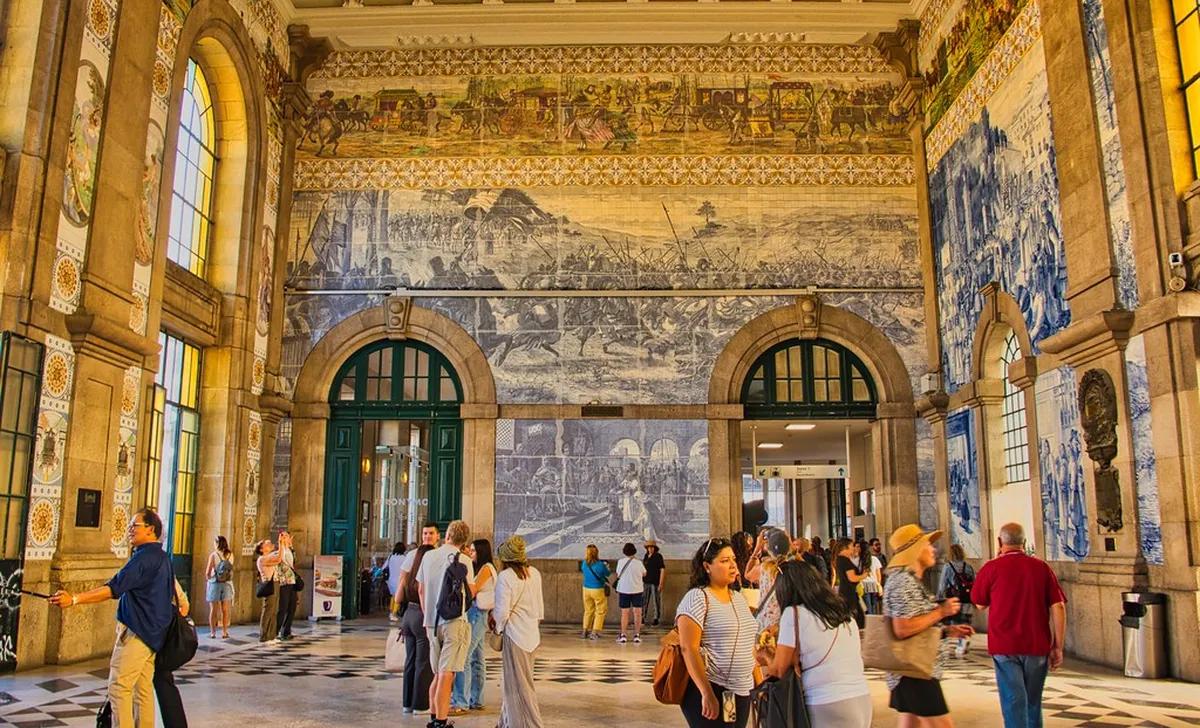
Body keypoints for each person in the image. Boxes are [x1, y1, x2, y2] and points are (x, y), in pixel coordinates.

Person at [50, 508, 174, 728]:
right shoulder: (162, 557)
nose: (129, 530)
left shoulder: (143, 558)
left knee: (119, 687)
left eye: (134, 526)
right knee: (142, 689)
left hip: (137, 634)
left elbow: (113, 589)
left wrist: (75, 599)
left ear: (150, 529)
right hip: (153, 635)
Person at [971, 523, 1067, 728]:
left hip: (1004, 645)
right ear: (1024, 542)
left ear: (999, 542)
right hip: (1036, 644)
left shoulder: (991, 568)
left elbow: (979, 604)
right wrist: (1058, 645)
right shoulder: (1041, 568)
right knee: (1033, 703)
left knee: (1013, 702)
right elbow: (1058, 606)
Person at [883, 524, 974, 727]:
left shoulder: (910, 581)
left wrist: (945, 631)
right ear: (915, 550)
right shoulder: (902, 582)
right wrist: (941, 611)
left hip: (913, 669)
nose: (933, 549)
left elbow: (916, 624)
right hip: (914, 671)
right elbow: (903, 628)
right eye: (928, 544)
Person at [768, 560, 872, 726]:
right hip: (861, 698)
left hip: (827, 702)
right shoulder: (842, 612)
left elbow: (779, 669)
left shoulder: (793, 613)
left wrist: (764, 655)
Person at [676, 537, 758, 728]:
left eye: (733, 559)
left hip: (742, 690)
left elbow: (748, 645)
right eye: (724, 560)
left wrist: (758, 686)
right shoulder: (697, 597)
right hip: (712, 687)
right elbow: (689, 648)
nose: (732, 565)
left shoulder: (738, 598)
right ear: (707, 566)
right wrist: (706, 692)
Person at [416, 519, 475, 728]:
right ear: (464, 540)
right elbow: (471, 593)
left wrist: (427, 616)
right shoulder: (464, 560)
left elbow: (421, 590)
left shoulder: (428, 556)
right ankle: (441, 722)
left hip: (431, 622)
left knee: (437, 673)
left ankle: (433, 717)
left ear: (447, 535)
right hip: (453, 621)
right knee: (446, 673)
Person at [492, 536, 545, 728]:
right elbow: (539, 610)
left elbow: (501, 613)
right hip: (532, 636)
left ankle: (529, 724)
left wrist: (498, 630)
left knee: (517, 687)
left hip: (514, 636)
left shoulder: (505, 577)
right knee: (524, 682)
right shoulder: (535, 574)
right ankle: (505, 722)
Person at [452, 539, 496, 715]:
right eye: (469, 551)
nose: (471, 554)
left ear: (482, 552)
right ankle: (477, 699)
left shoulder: (486, 568)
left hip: (478, 614)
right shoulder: (481, 568)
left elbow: (473, 590)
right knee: (478, 657)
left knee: (464, 656)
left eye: (473, 551)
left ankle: (461, 701)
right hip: (477, 613)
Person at [400, 542, 435, 714]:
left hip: (408, 614)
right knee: (423, 662)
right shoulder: (426, 574)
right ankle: (420, 705)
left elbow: (399, 596)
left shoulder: (410, 574)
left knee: (410, 661)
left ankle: (407, 703)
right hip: (421, 615)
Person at [153, 578, 191, 727]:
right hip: (165, 639)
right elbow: (184, 605)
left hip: (150, 639)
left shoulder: (144, 571)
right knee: (164, 681)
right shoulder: (168, 573)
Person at [937, 542, 976, 656]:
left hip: (953, 599)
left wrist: (939, 599)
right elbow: (974, 582)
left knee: (953, 624)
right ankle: (963, 642)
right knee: (965, 622)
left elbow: (942, 584)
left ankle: (948, 647)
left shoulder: (948, 566)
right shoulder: (968, 567)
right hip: (966, 599)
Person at [614, 541, 647, 643]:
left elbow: (617, 573)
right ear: (634, 551)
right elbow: (644, 573)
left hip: (624, 590)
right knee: (637, 613)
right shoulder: (639, 563)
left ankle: (623, 635)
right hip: (637, 590)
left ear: (624, 552)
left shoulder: (620, 562)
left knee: (625, 613)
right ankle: (637, 635)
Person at [204, 535, 234, 638]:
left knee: (213, 609)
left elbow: (208, 572)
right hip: (227, 584)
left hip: (215, 583)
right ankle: (225, 631)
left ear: (217, 543)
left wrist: (208, 578)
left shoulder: (214, 555)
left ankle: (213, 632)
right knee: (225, 609)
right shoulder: (230, 555)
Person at [833, 539, 866, 628]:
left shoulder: (840, 559)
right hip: (848, 593)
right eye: (852, 546)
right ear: (845, 548)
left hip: (846, 592)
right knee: (856, 618)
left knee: (856, 616)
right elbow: (852, 578)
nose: (853, 549)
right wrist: (864, 575)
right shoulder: (844, 560)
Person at [580, 544, 610, 639]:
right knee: (600, 611)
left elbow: (584, 571)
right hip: (598, 589)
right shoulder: (600, 565)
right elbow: (607, 574)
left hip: (586, 589)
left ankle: (585, 630)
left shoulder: (584, 563)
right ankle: (595, 632)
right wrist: (606, 566)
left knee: (588, 610)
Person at [255, 538, 281, 643]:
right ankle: (264, 635)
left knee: (274, 611)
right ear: (261, 549)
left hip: (275, 583)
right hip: (269, 584)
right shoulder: (262, 559)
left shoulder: (270, 556)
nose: (270, 544)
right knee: (268, 610)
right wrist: (280, 543)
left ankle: (272, 635)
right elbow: (278, 559)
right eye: (267, 544)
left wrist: (283, 543)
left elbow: (279, 554)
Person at [275, 531, 300, 641]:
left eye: (287, 536)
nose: (286, 538)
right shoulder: (281, 551)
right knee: (283, 607)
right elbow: (279, 560)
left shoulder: (290, 550)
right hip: (284, 581)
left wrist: (292, 546)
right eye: (284, 536)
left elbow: (294, 562)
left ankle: (286, 630)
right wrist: (280, 544)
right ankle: (275, 631)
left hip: (292, 580)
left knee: (292, 606)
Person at [642, 539, 666, 627]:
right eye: (649, 547)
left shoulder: (658, 556)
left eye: (652, 547)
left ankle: (656, 618)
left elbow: (662, 569)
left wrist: (661, 582)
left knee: (656, 601)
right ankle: (642, 617)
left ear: (655, 548)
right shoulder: (646, 556)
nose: (650, 549)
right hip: (646, 581)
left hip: (655, 582)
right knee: (644, 600)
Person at [860, 540, 885, 616]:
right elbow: (878, 575)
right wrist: (879, 585)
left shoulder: (859, 560)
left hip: (864, 585)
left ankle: (869, 624)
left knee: (868, 608)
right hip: (874, 585)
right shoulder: (875, 559)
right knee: (874, 607)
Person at [385, 541, 407, 622]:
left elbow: (384, 567)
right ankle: (394, 613)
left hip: (391, 580)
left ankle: (391, 612)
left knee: (393, 596)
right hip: (400, 580)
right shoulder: (404, 558)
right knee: (398, 598)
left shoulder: (391, 557)